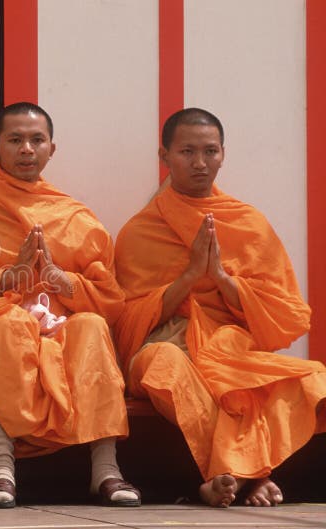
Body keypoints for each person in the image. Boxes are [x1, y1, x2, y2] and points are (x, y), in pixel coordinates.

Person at [114, 107, 326, 507]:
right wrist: (190, 277)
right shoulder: (140, 231)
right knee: (165, 365)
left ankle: (223, 477)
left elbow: (286, 314)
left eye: (210, 151)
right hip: (164, 345)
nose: (199, 163)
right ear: (164, 157)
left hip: (230, 348)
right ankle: (251, 475)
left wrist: (224, 280)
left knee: (312, 378)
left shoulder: (248, 223)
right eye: (187, 152)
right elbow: (126, 323)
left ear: (223, 154)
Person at [0, 102, 140, 508]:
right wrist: (3, 281)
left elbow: (111, 299)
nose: (26, 149)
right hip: (2, 336)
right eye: (15, 140)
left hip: (64, 331)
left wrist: (63, 282)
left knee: (93, 327)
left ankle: (107, 470)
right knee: (5, 325)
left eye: (36, 140)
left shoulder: (77, 218)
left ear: (52, 149)